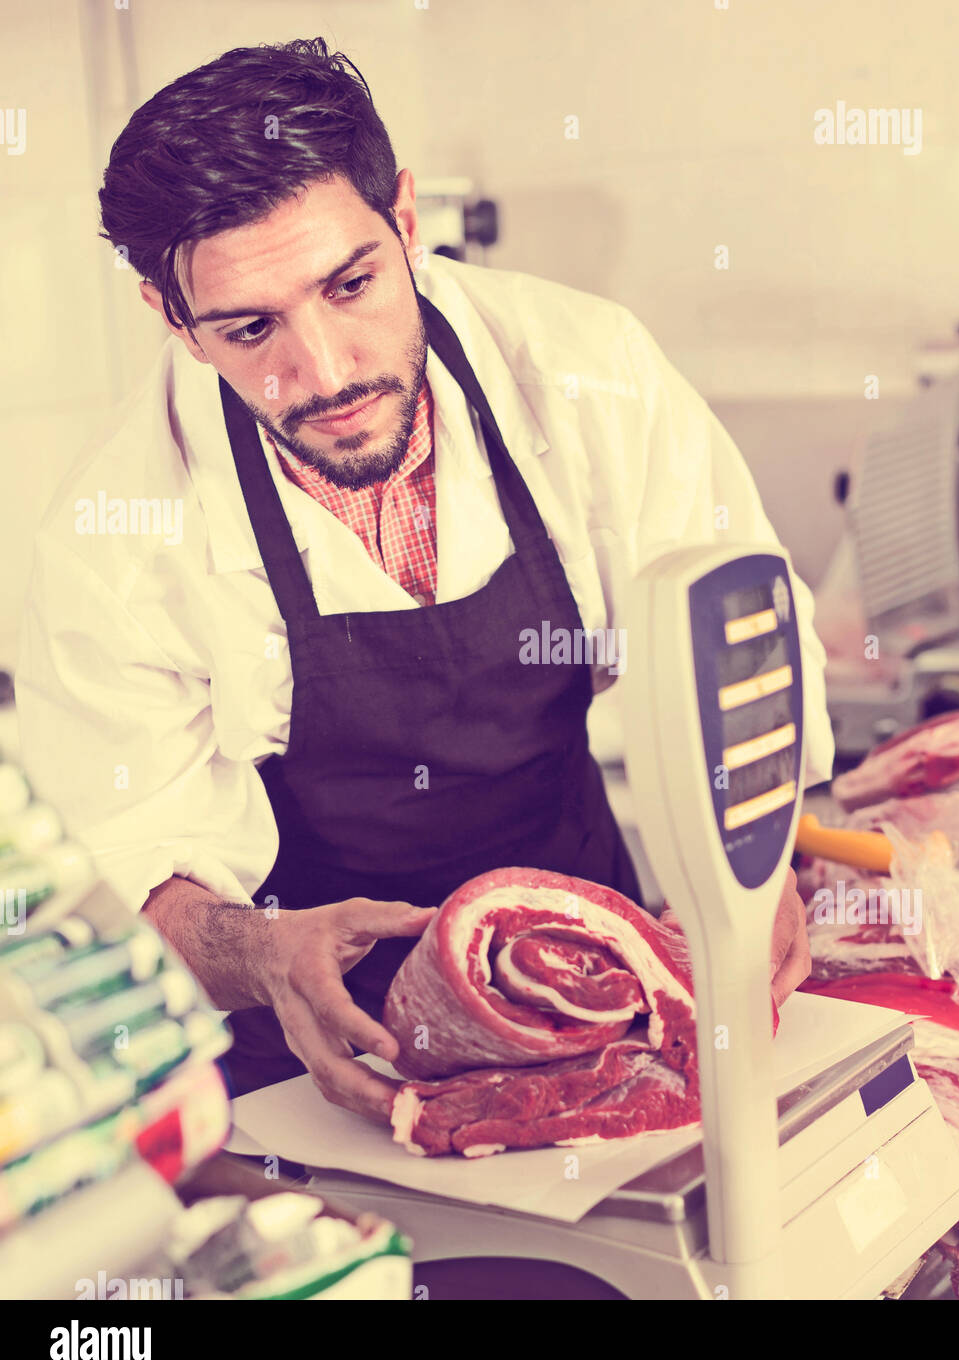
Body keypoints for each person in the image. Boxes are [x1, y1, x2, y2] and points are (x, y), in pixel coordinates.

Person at [16, 38, 833, 1122]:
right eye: (250, 327)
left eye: (351, 284)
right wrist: (259, 955)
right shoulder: (113, 537)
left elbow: (733, 637)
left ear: (405, 219)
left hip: (589, 971)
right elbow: (127, 873)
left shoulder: (589, 374)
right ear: (171, 318)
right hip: (318, 1047)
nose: (327, 369)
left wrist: (757, 865)